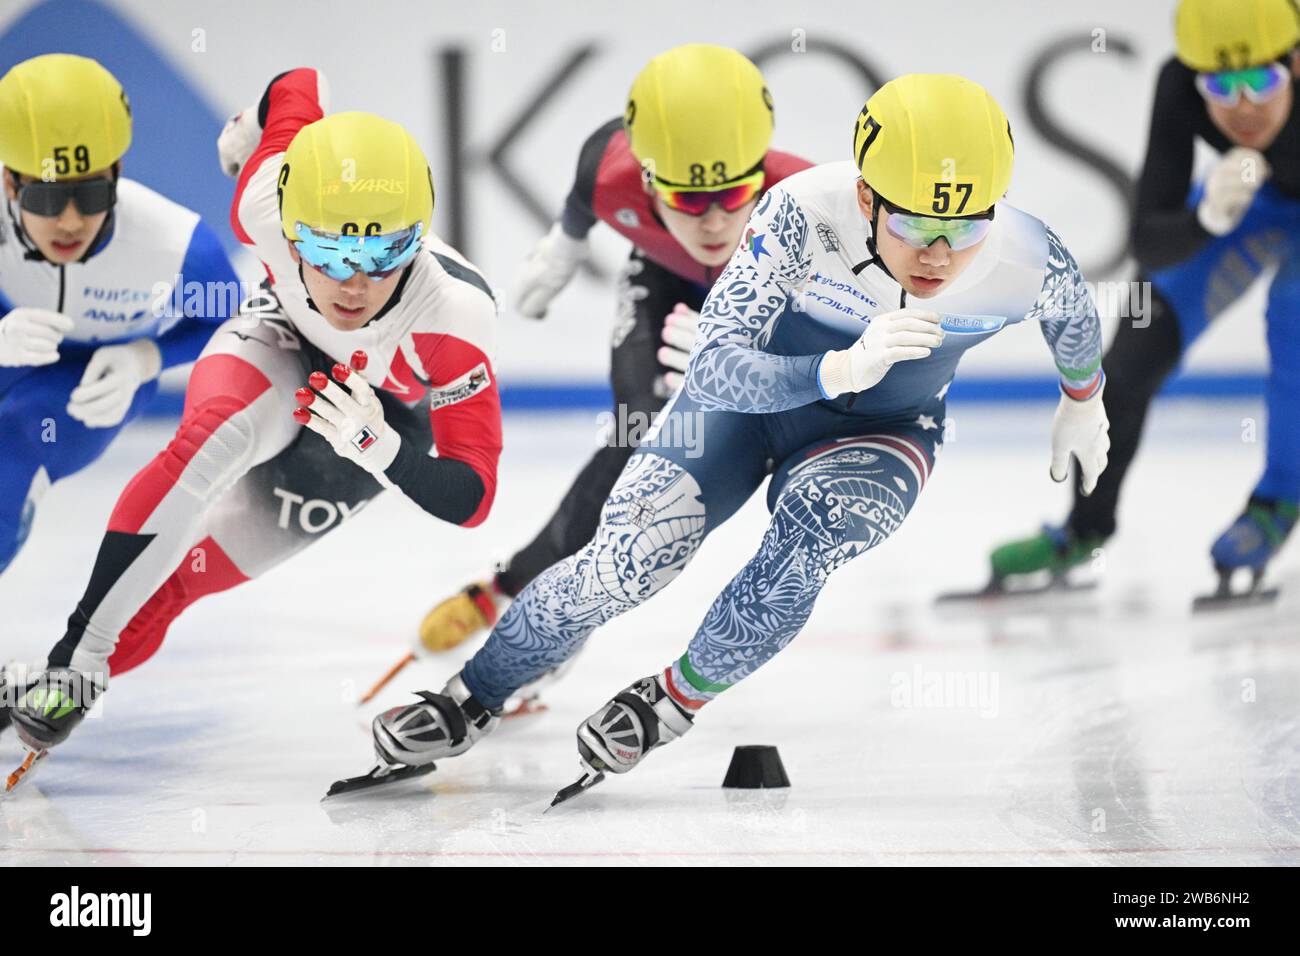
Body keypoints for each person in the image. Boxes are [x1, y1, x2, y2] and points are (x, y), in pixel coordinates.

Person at [356, 73, 1109, 798]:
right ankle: (469, 699)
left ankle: (674, 701)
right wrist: (835, 370)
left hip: (886, 432)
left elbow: (1073, 321)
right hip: (746, 411)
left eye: (965, 227)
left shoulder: (1029, 255)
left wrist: (1084, 401)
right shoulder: (799, 212)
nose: (939, 254)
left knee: (809, 542)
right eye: (914, 223)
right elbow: (714, 369)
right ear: (864, 196)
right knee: (622, 565)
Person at [6, 68, 502, 771]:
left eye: (385, 253)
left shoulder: (453, 316)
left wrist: (383, 448)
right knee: (209, 437)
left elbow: (474, 498)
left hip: (382, 415)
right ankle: (73, 667)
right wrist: (253, 129)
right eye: (328, 251)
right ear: (290, 232)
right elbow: (299, 81)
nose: (354, 283)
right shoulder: (264, 195)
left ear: (417, 241)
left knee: (187, 576)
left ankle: (68, 672)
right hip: (284, 342)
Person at [410, 45, 812, 664]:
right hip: (665, 283)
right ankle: (512, 589)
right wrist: (565, 242)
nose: (711, 222)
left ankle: (558, 609)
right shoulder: (608, 172)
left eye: (736, 194)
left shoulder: (810, 200)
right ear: (649, 178)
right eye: (686, 199)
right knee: (635, 434)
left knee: (703, 453)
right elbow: (588, 179)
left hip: (763, 300)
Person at [987, 0, 1300, 604]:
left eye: (1262, 80)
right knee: (1127, 362)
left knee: (1293, 319)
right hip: (1254, 201)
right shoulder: (1178, 84)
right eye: (1220, 84)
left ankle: (1277, 501)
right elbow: (1150, 237)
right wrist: (1206, 218)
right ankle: (1084, 528)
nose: (1242, 106)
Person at [0, 53, 238, 578]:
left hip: (90, 382)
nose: (69, 220)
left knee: (12, 454)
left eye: (90, 193)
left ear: (117, 174)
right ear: (11, 184)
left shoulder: (174, 245)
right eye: (45, 196)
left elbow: (228, 322)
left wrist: (146, 357)